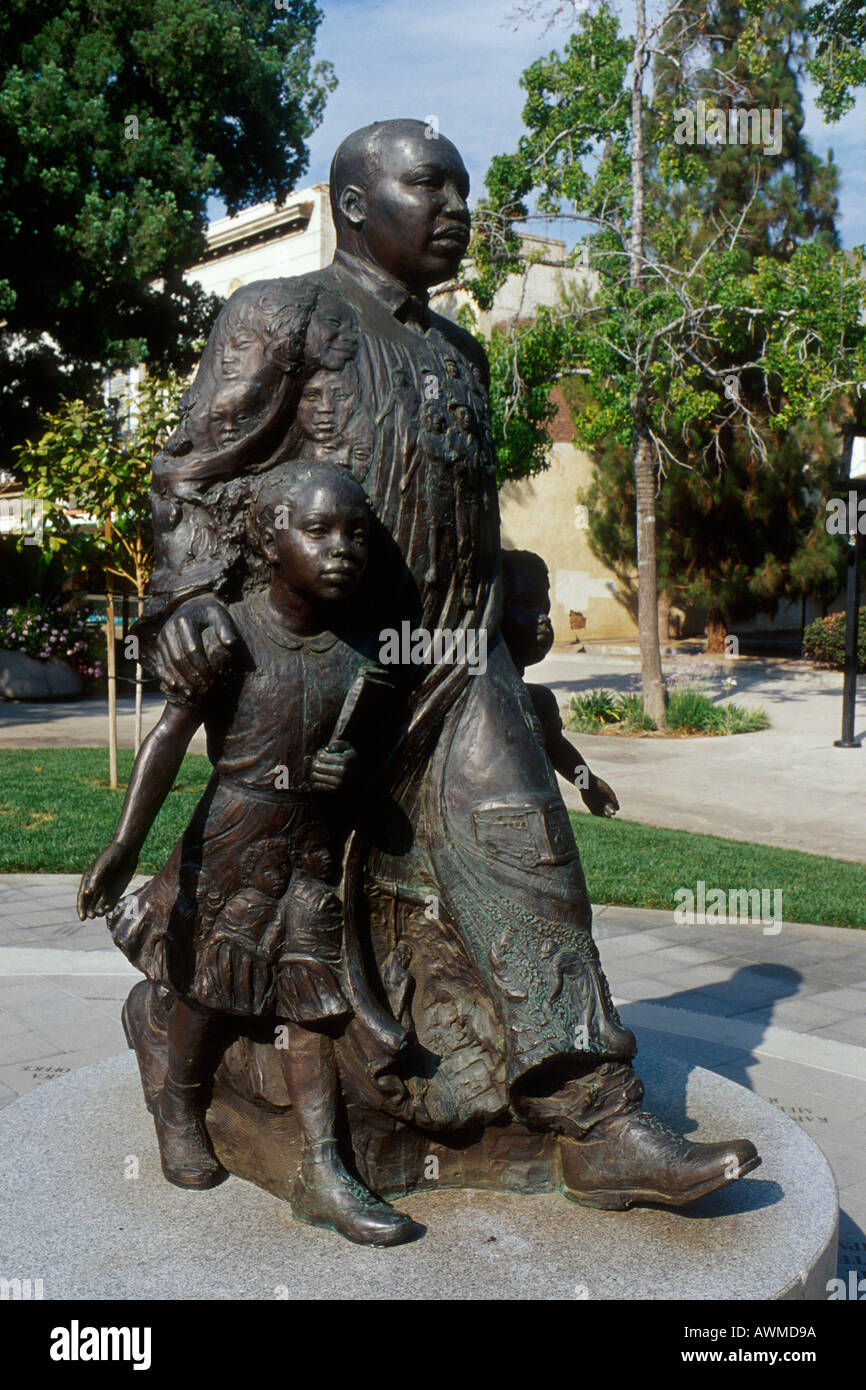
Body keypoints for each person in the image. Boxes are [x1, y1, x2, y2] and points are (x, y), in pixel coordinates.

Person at [130, 119, 758, 1211]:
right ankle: (187, 1057)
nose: (459, 209)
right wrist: (183, 597)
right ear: (355, 204)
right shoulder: (282, 315)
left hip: (456, 665)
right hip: (325, 672)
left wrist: (510, 601)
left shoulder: (460, 354)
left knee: (528, 852)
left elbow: (463, 507)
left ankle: (594, 1116)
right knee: (262, 906)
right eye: (432, 187)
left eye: (464, 190)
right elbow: (186, 472)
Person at [78, 461, 418, 1246]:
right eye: (319, 530)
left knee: (313, 1006)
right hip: (234, 843)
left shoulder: (361, 651)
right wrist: (125, 842)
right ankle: (177, 1102)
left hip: (311, 855)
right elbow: (168, 737)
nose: (342, 549)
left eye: (356, 533)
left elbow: (377, 756)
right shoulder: (228, 635)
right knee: (208, 990)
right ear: (269, 540)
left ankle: (325, 1169)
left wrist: (352, 773)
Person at [501, 549, 619, 819]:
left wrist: (587, 784)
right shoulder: (468, 693)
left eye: (543, 608)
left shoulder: (539, 703)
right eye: (525, 604)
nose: (543, 619)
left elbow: (555, 747)